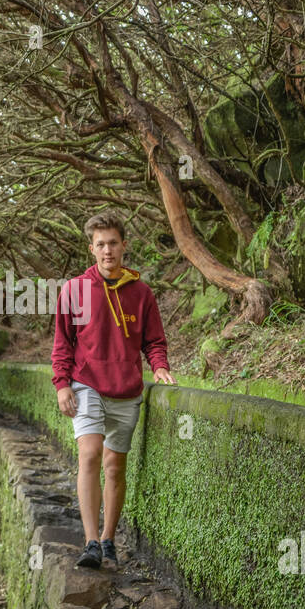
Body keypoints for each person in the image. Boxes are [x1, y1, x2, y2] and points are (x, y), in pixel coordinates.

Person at [51, 211, 174, 571]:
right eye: (100, 244)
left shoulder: (142, 293)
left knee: (114, 465)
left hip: (127, 390)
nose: (108, 250)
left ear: (124, 246)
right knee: (89, 454)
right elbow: (62, 344)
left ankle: (108, 540)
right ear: (92, 249)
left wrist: (160, 366)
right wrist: (62, 384)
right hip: (86, 383)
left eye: (113, 243)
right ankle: (89, 542)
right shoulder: (74, 290)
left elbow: (154, 341)